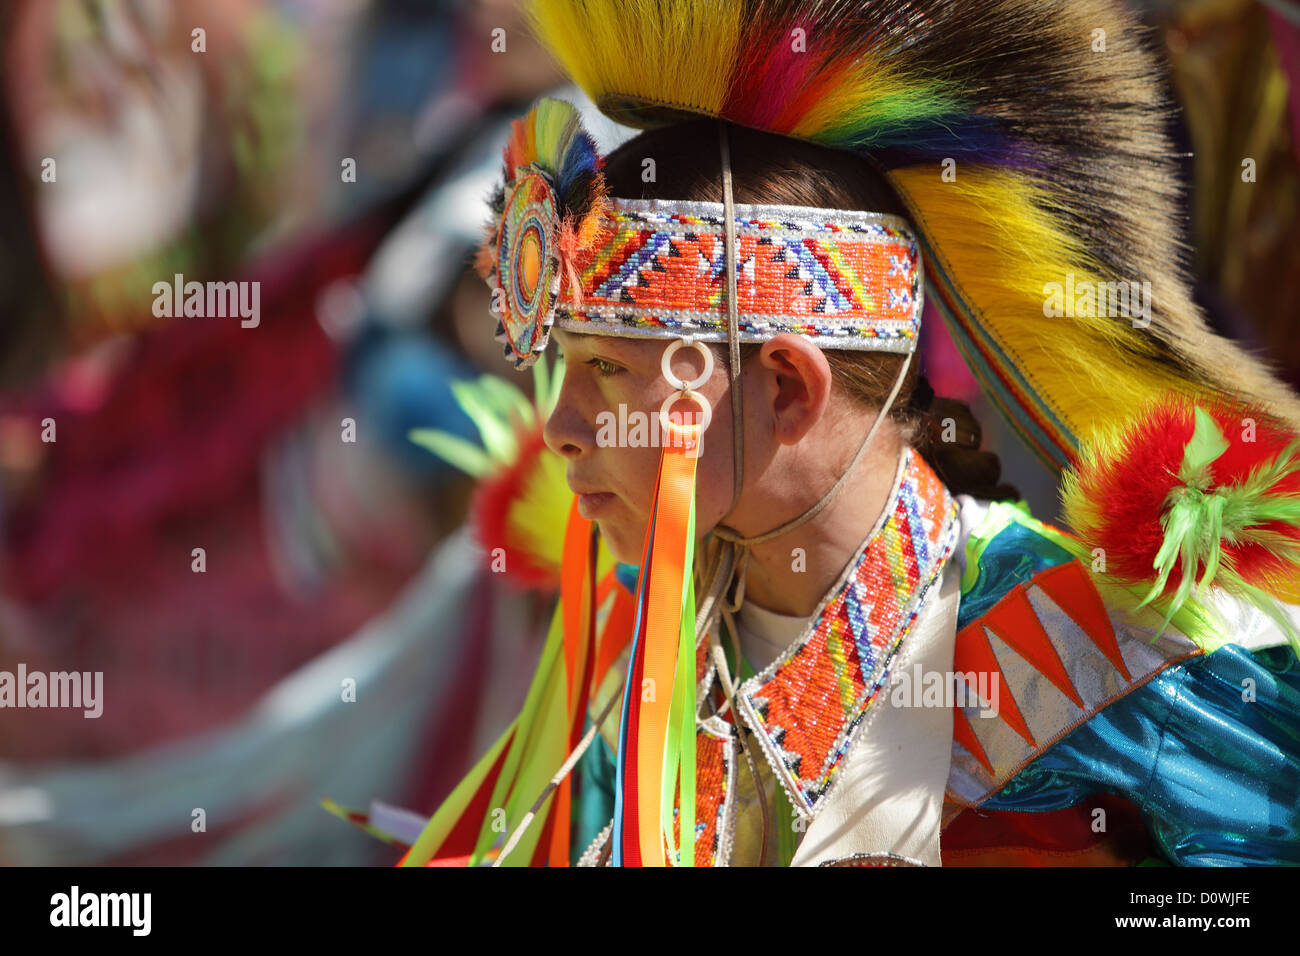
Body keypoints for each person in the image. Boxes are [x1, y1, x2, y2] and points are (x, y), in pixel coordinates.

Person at [346, 0, 1300, 866]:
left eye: (604, 372)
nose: (556, 428)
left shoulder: (1117, 653)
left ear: (788, 389)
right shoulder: (636, 629)